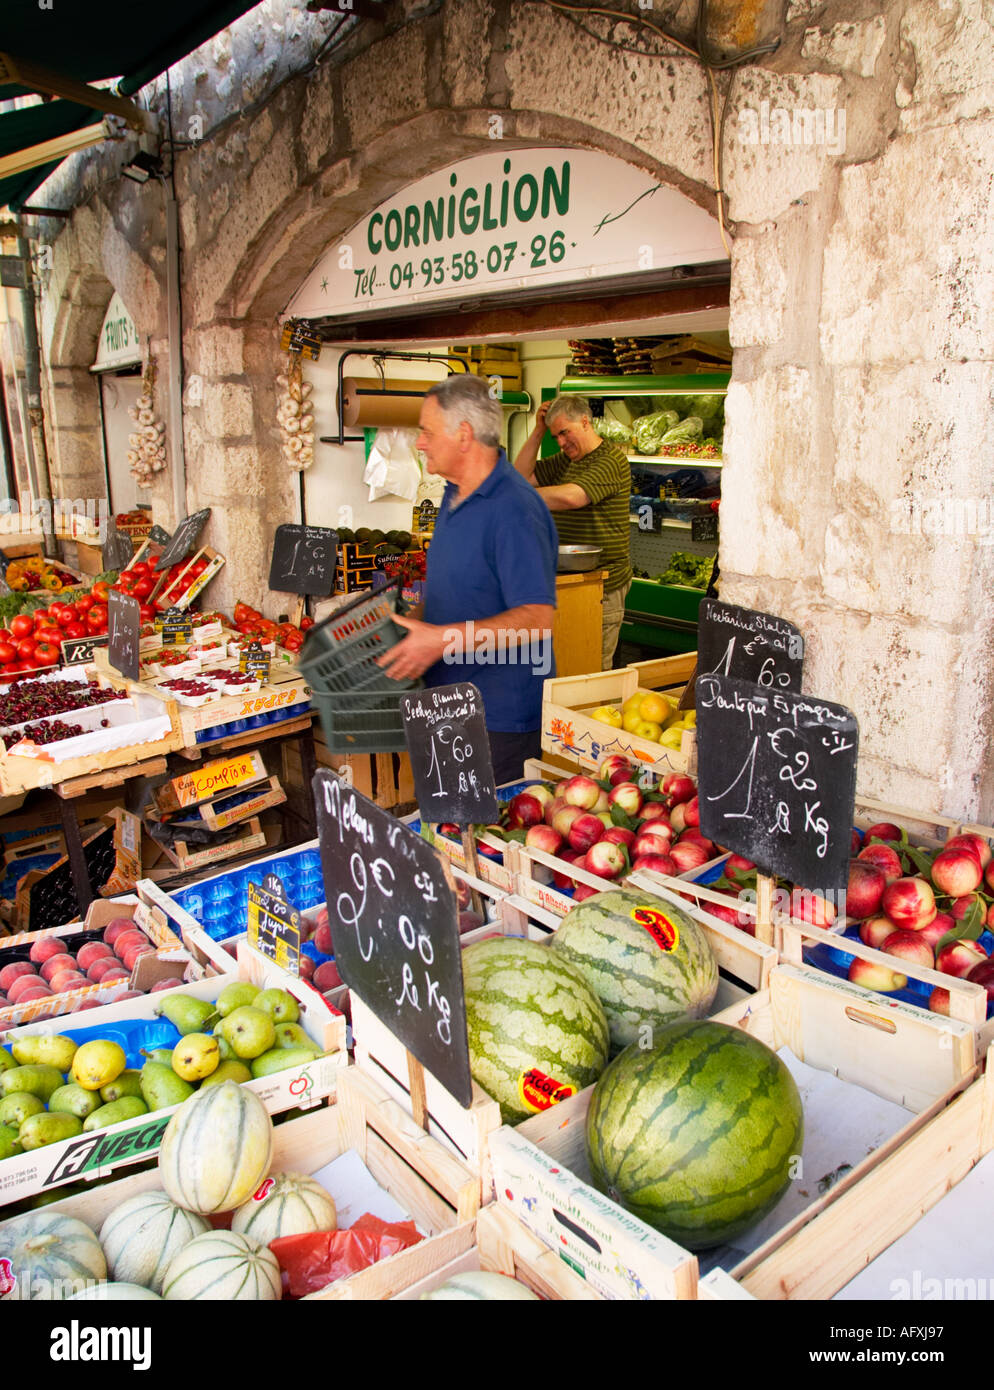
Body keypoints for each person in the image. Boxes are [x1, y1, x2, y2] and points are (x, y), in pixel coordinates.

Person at [378, 375, 558, 786]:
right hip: (445, 703)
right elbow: (454, 591)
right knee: (445, 839)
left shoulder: (514, 509)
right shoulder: (453, 493)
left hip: (497, 720)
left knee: (484, 843)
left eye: (426, 431)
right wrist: (409, 627)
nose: (419, 443)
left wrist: (440, 640)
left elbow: (538, 620)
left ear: (463, 435)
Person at [513, 394, 632, 670]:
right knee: (565, 664)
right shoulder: (566, 461)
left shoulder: (612, 460)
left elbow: (573, 497)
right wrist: (538, 431)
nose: (562, 443)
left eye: (565, 432)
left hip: (602, 585)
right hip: (566, 584)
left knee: (593, 671)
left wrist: (517, 497)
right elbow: (520, 477)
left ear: (585, 422)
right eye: (556, 437)